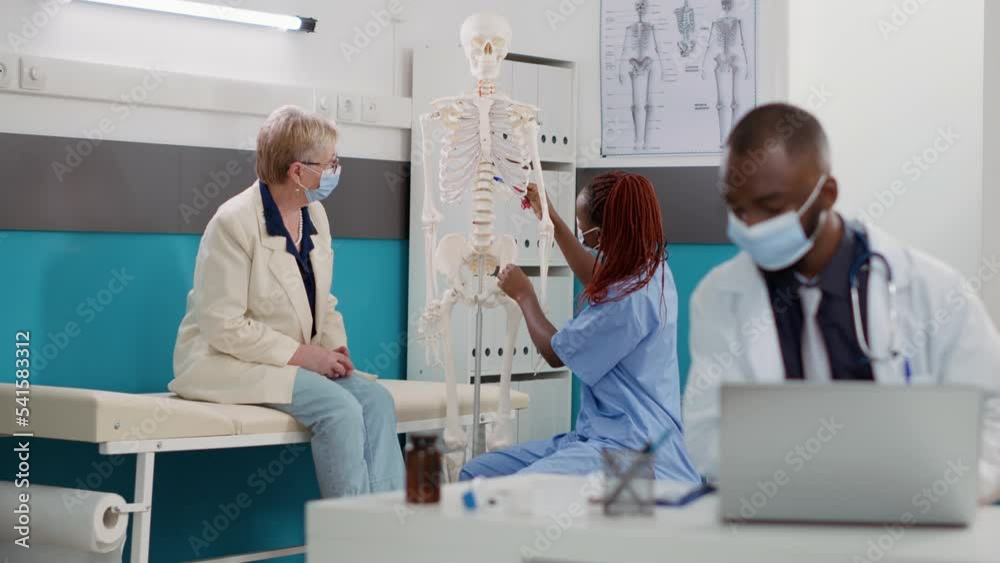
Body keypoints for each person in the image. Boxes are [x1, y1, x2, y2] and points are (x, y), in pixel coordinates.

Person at [683, 103, 1000, 504]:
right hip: (781, 520)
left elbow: (992, 414)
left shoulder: (933, 290)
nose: (751, 227)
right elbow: (706, 427)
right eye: (738, 209)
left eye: (771, 208)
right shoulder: (719, 297)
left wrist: (946, 491)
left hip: (911, 520)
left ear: (827, 194)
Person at [169, 105, 404, 498]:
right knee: (340, 410)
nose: (335, 171)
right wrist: (304, 356)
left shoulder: (315, 215)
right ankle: (349, 540)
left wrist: (333, 348)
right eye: (330, 163)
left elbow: (321, 299)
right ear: (298, 171)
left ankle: (388, 532)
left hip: (294, 360)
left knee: (376, 401)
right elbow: (222, 325)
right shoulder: (234, 222)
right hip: (226, 362)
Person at [460, 171, 701, 483]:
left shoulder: (624, 303)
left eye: (583, 230)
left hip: (630, 448)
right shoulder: (652, 270)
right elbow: (600, 278)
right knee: (475, 472)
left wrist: (524, 295)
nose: (581, 235)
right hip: (597, 436)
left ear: (601, 237)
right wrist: (551, 218)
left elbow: (555, 352)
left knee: (521, 488)